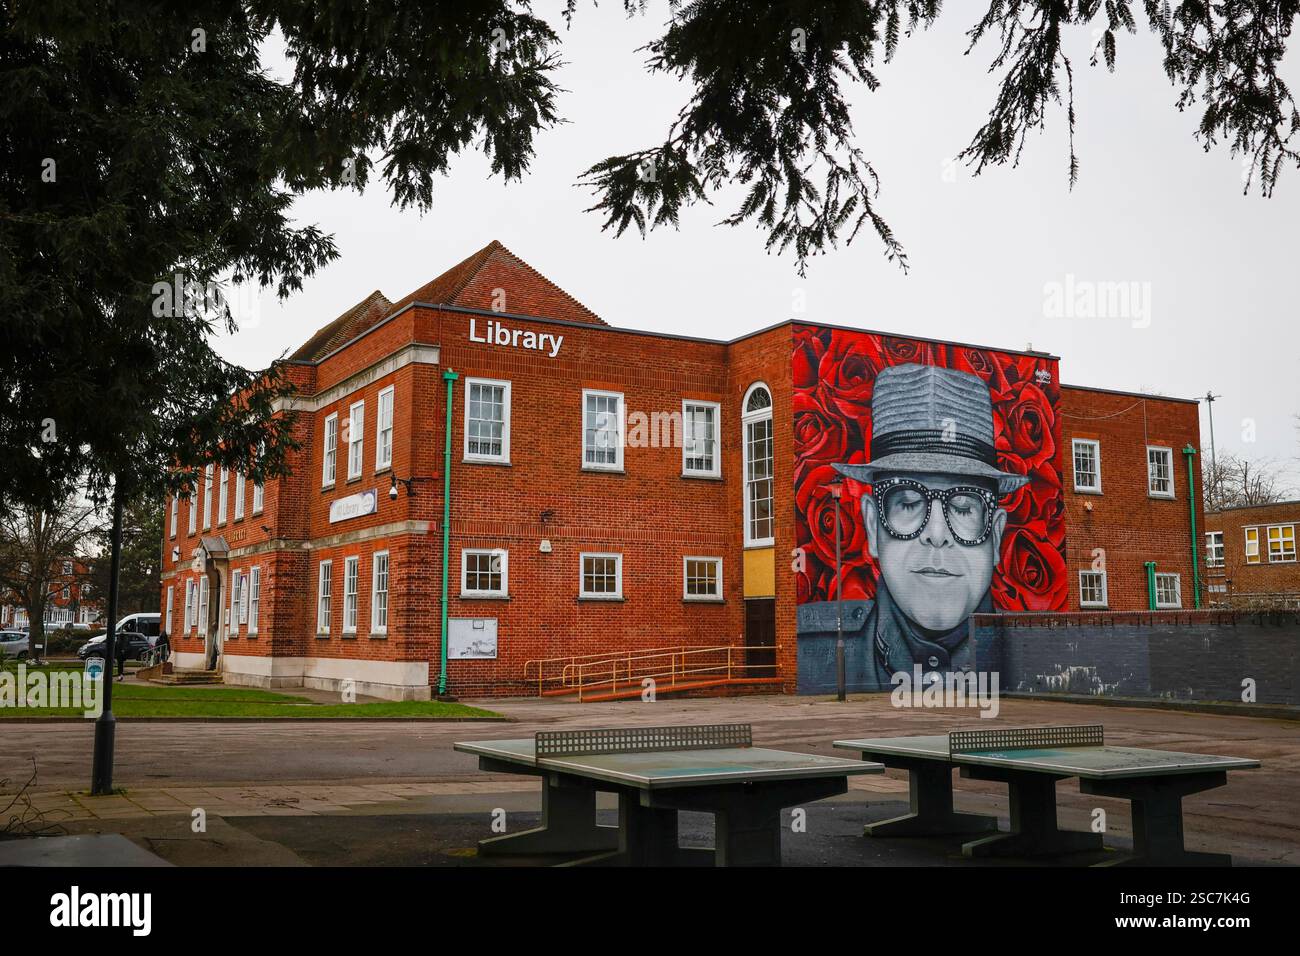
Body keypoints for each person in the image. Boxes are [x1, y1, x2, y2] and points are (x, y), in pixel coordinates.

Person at [831, 363, 1029, 688]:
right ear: (871, 526)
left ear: (994, 535)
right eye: (908, 502)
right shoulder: (815, 648)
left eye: (964, 507)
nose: (936, 535)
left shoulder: (1039, 650)